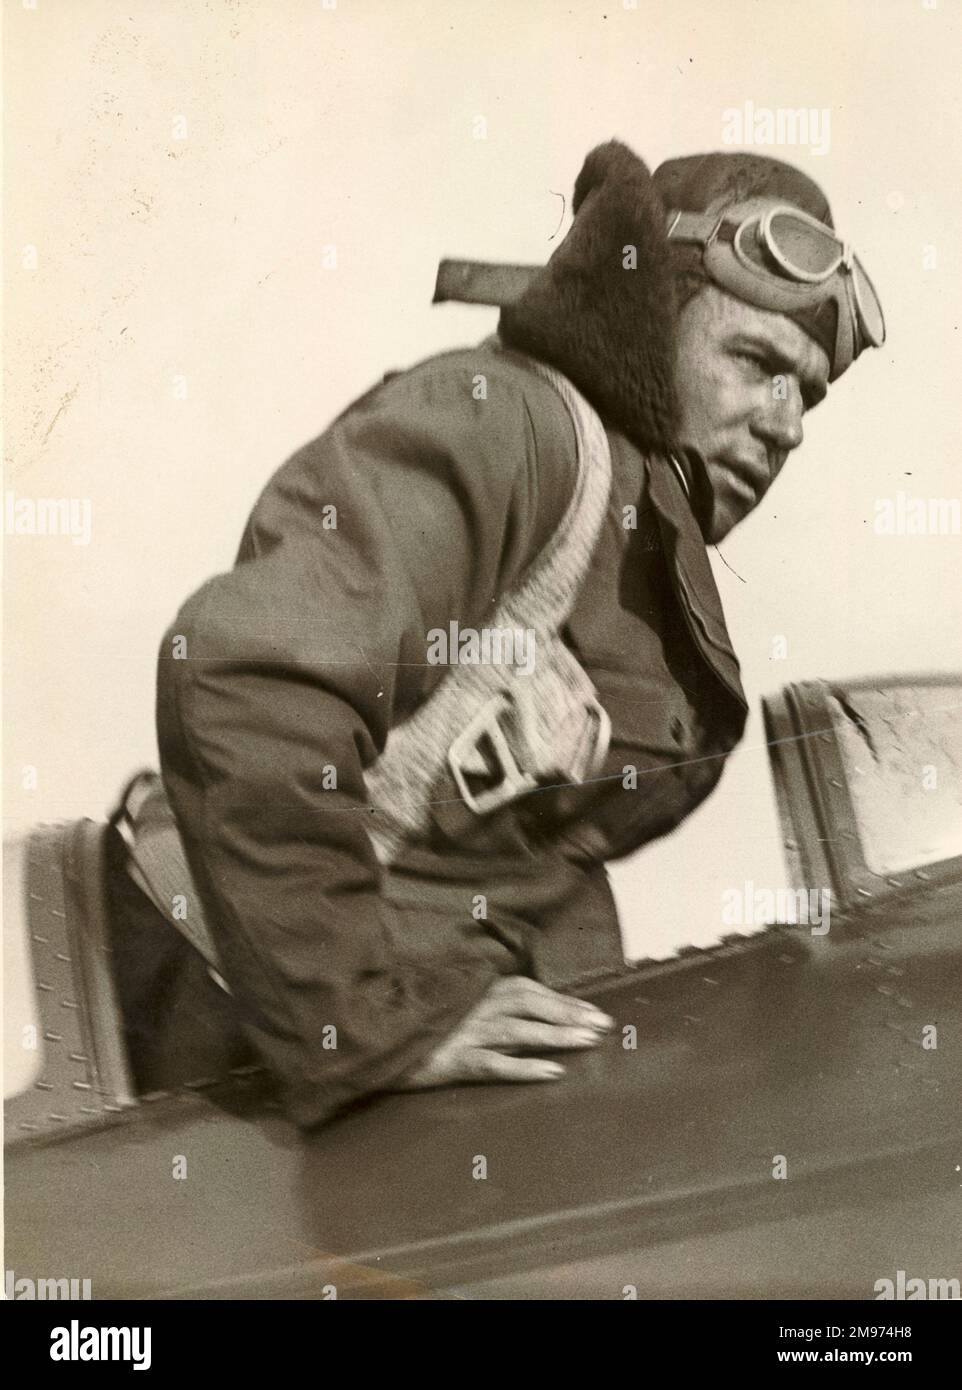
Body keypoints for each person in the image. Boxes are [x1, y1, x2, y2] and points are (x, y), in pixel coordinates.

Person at [6, 139, 885, 1138]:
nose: (787, 426)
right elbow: (247, 677)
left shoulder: (637, 537)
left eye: (807, 394)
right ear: (655, 318)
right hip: (214, 1029)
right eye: (757, 362)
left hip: (351, 1046)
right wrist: (357, 1024)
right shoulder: (514, 426)